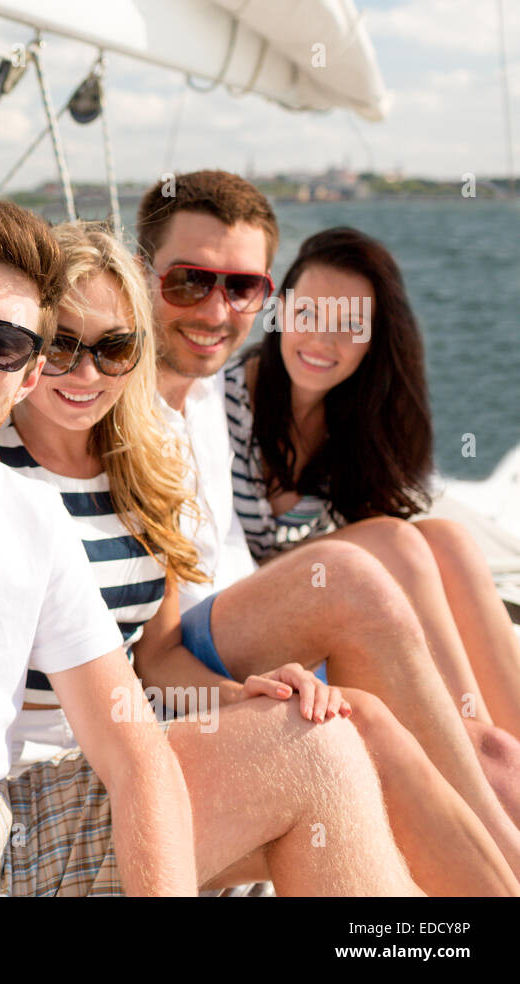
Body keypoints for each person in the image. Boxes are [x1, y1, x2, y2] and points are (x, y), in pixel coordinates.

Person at [0, 177, 420, 895]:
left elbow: (140, 714)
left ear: (25, 369)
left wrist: (235, 698)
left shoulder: (69, 496)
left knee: (326, 736)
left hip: (3, 823)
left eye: (112, 348)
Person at [0, 219, 517, 895]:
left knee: (349, 721)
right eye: (61, 345)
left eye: (113, 347)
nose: (86, 372)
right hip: (36, 791)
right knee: (321, 739)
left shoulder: (147, 464)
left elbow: (158, 656)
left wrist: (247, 695)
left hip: (126, 743)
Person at [128, 169, 520, 876]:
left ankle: (496, 757)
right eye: (189, 281)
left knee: (482, 733)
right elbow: (155, 658)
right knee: (369, 565)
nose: (216, 309)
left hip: (250, 626)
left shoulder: (203, 395)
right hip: (208, 649)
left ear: (262, 295)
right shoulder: (137, 393)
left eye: (241, 288)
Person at [225, 225, 520, 755]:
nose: (321, 339)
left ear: (374, 338)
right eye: (307, 313)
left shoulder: (355, 424)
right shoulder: (221, 404)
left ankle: (507, 744)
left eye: (349, 325)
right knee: (398, 541)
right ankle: (478, 753)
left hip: (303, 616)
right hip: (226, 627)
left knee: (446, 538)